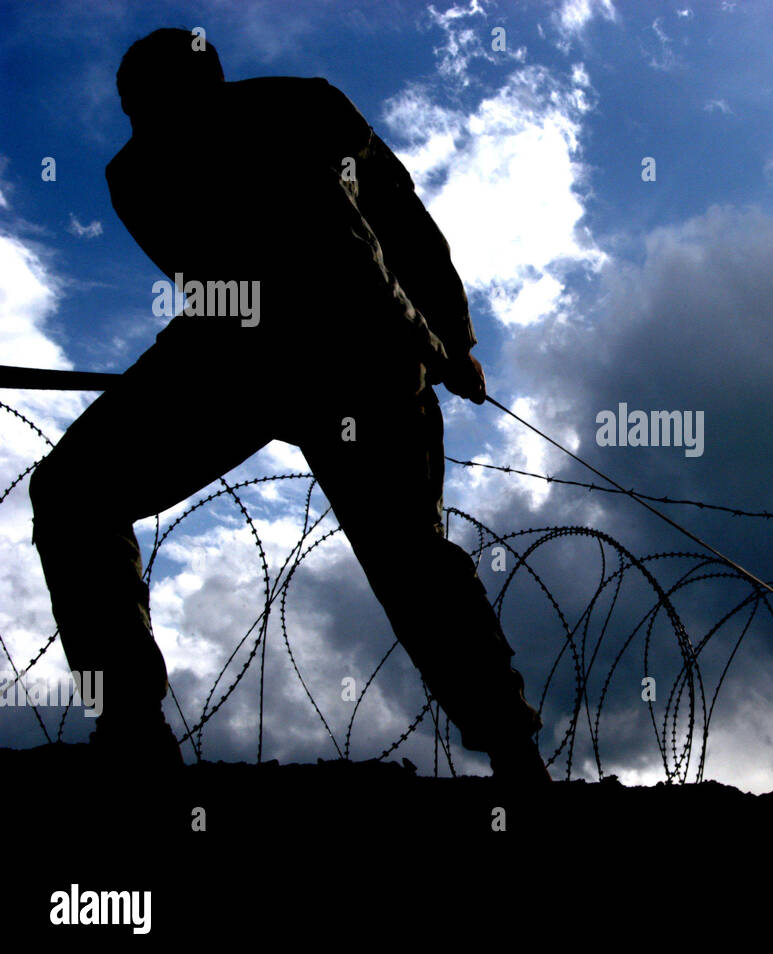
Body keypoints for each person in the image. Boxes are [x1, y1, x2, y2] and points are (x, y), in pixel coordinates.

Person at [28, 28, 549, 782]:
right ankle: (133, 727)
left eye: (153, 95)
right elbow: (212, 278)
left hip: (347, 351)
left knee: (409, 559)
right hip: (257, 355)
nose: (142, 116)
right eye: (134, 104)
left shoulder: (301, 109)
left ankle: (513, 751)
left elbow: (398, 216)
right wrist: (439, 342)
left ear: (208, 80)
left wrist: (448, 339)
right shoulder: (137, 173)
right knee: (75, 495)